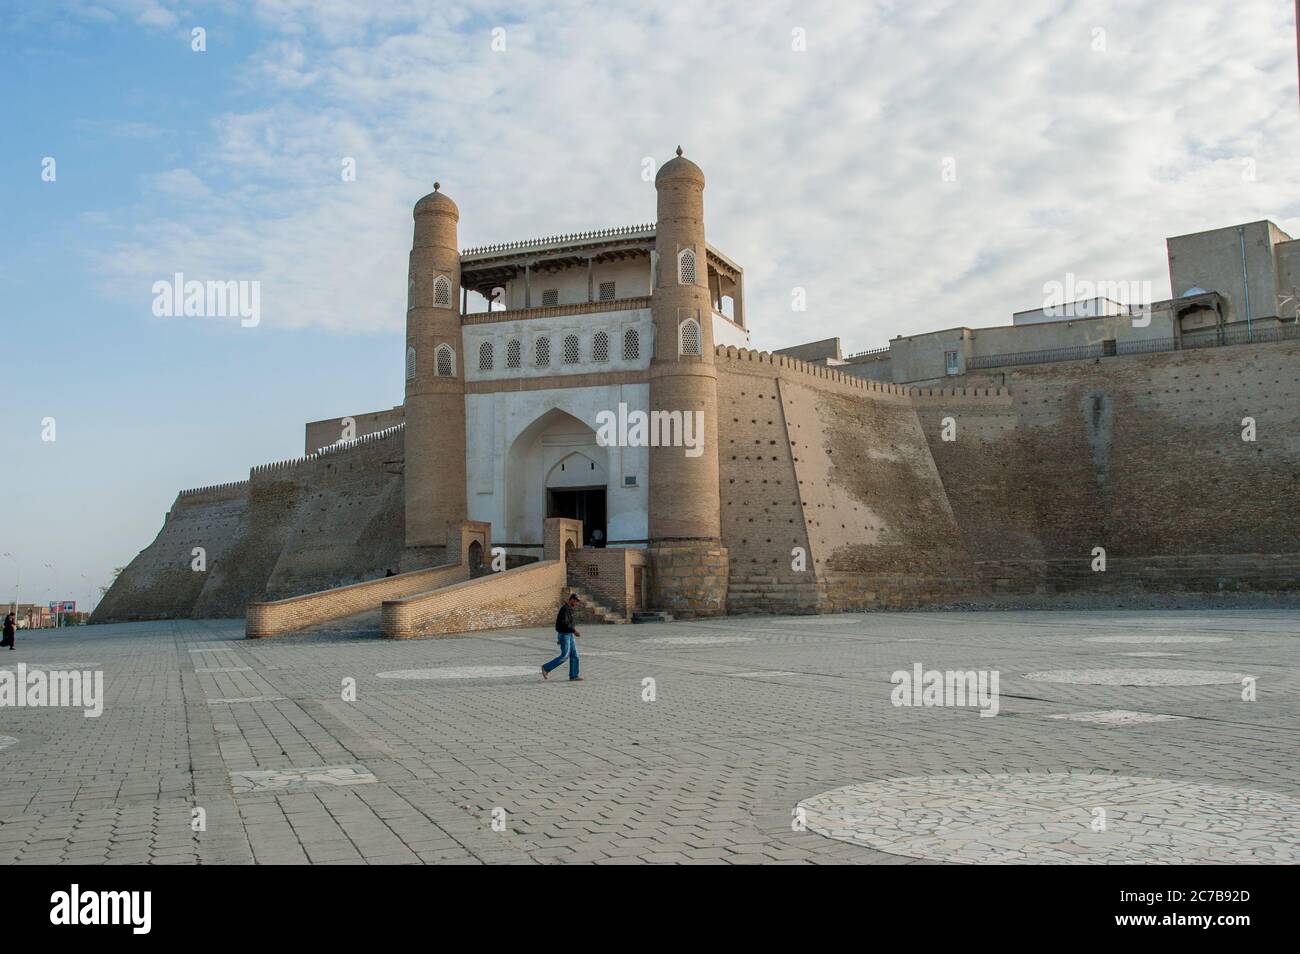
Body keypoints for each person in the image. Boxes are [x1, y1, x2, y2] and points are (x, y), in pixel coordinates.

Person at [541, 594, 583, 682]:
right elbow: (564, 624)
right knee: (564, 656)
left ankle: (574, 675)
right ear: (571, 600)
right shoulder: (565, 609)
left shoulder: (570, 609)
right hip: (565, 634)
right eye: (576, 601)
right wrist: (574, 631)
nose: (577, 603)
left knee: (575, 655)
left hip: (569, 634)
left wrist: (572, 631)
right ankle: (546, 668)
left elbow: (569, 623)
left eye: (578, 602)